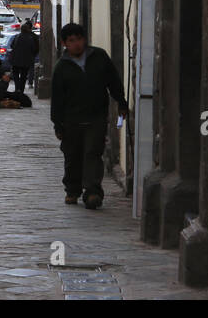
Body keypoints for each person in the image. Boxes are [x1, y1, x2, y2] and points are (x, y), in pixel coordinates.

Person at [51, 23, 129, 209]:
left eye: (79, 39)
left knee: (93, 154)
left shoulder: (99, 57)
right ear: (64, 43)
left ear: (84, 39)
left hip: (96, 116)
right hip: (71, 119)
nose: (76, 44)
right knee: (73, 156)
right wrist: (58, 124)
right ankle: (72, 189)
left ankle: (93, 192)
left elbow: (113, 81)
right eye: (71, 41)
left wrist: (121, 102)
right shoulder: (62, 67)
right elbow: (57, 98)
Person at [10, 19, 39, 93]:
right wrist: (32, 56)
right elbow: (35, 49)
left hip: (16, 60)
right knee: (23, 76)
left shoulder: (17, 36)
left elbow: (12, 46)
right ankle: (21, 90)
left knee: (16, 75)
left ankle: (17, 88)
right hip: (26, 60)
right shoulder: (31, 38)